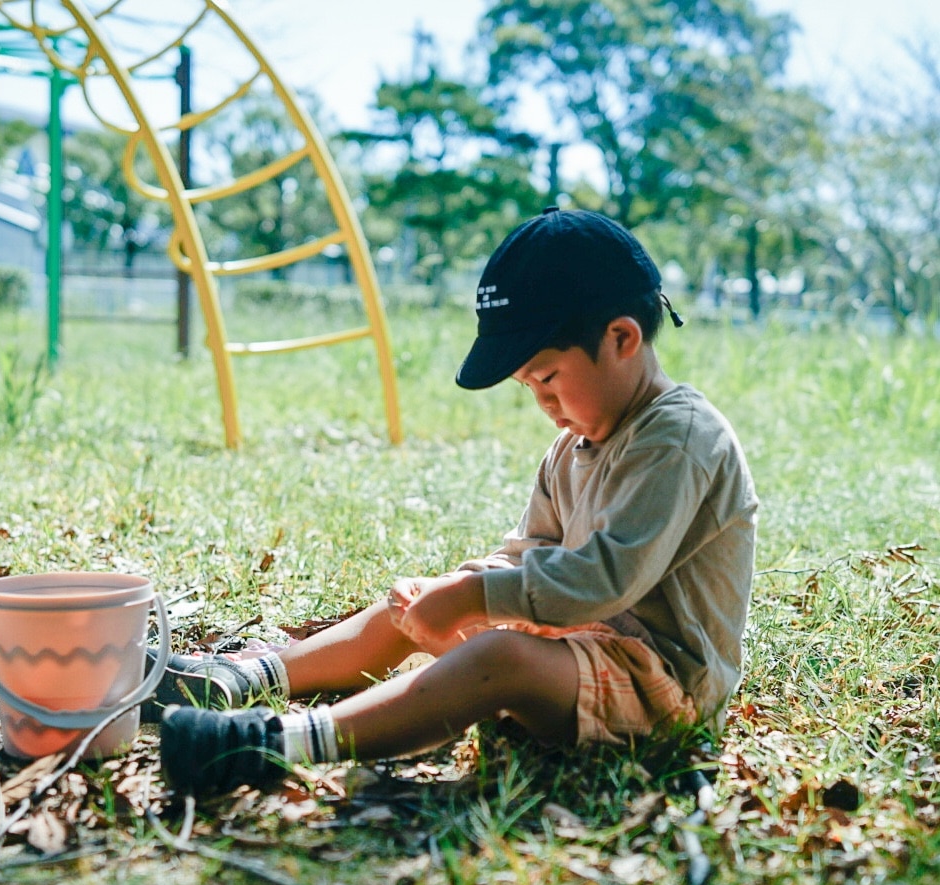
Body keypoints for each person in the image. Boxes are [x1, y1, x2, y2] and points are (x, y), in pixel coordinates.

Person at [153, 207, 758, 798]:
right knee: (410, 611)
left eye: (547, 377)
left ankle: (271, 745)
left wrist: (474, 599)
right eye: (529, 387)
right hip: (574, 647)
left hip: (659, 690)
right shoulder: (572, 447)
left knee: (500, 655)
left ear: (622, 337)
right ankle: (251, 676)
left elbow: (604, 578)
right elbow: (529, 557)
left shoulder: (677, 439)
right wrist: (455, 589)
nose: (543, 403)